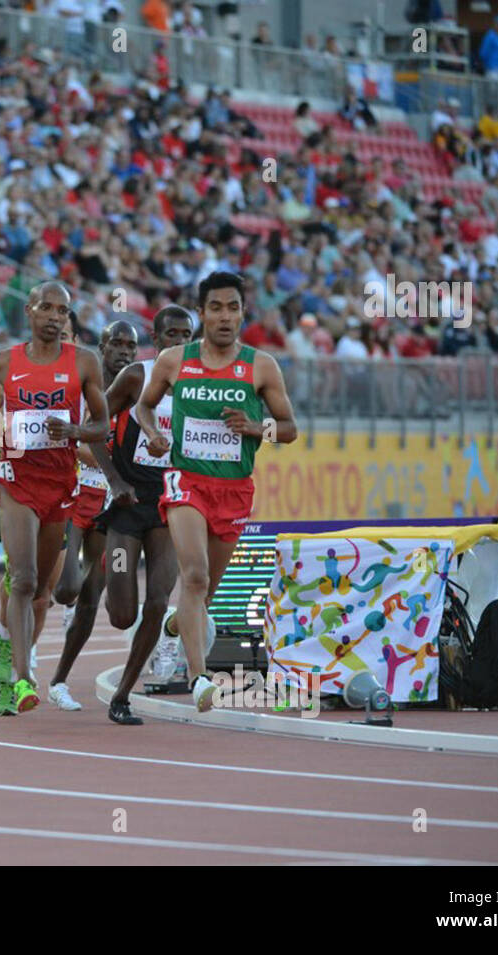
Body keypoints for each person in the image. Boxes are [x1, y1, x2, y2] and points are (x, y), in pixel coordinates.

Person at [135, 271, 298, 714]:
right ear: (202, 312)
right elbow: (143, 407)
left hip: (234, 488)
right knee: (195, 576)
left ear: (242, 312)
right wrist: (152, 434)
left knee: (205, 594)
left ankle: (177, 621)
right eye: (216, 308)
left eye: (233, 307)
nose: (225, 317)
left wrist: (255, 426)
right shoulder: (174, 361)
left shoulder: (261, 366)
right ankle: (198, 676)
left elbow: (290, 429)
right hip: (186, 480)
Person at [0, 282, 110, 716]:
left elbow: (101, 426)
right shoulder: (2, 362)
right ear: (29, 311)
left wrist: (74, 432)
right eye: (45, 307)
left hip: (61, 484)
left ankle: (4, 639)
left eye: (61, 310)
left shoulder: (84, 363)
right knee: (24, 580)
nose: (53, 316)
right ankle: (22, 679)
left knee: (44, 591)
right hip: (15, 478)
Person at [96, 304, 198, 724]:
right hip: (127, 507)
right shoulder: (136, 378)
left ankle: (122, 696)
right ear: (156, 341)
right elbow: (91, 426)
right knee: (123, 615)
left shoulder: (202, 386)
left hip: (170, 505)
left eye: (186, 335)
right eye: (171, 335)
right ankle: (117, 592)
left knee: (158, 601)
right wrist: (114, 481)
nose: (179, 342)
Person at [45, 318, 139, 711]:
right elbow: (71, 437)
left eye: (130, 347)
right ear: (100, 347)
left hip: (108, 503)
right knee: (67, 589)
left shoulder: (138, 390)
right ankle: (58, 590)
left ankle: (59, 681)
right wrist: (89, 444)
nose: (123, 352)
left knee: (91, 596)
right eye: (115, 344)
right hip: (74, 495)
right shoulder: (82, 384)